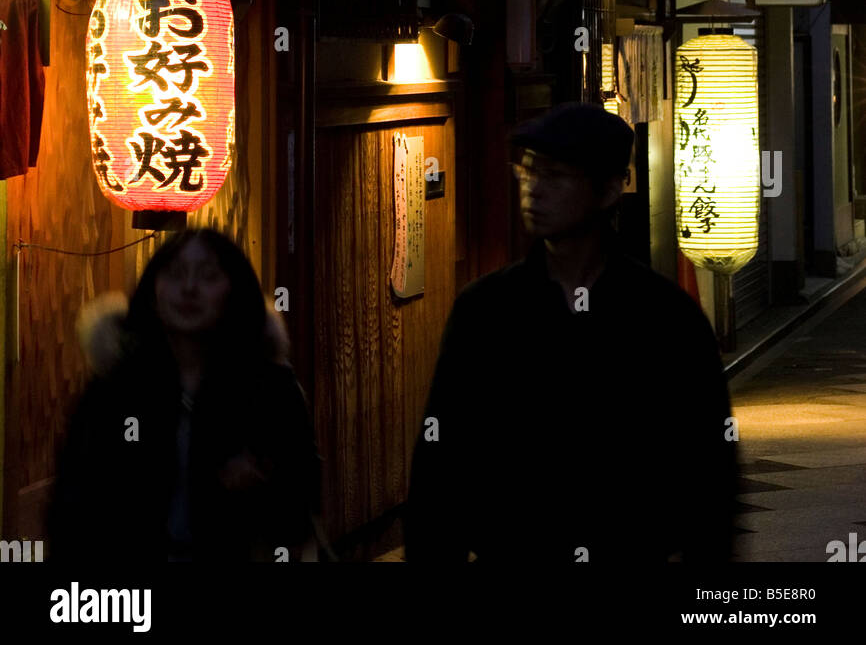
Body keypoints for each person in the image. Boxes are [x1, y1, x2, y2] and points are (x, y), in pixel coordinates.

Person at [404, 103, 738, 564]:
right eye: (527, 172)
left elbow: (710, 475)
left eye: (555, 176)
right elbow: (439, 467)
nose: (533, 191)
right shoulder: (487, 311)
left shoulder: (664, 318)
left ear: (606, 191)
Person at [47, 228, 325, 563]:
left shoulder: (271, 387)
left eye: (208, 276)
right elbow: (70, 503)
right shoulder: (115, 386)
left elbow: (303, 499)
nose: (189, 288)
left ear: (235, 290)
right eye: (176, 274)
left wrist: (257, 489)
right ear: (152, 290)